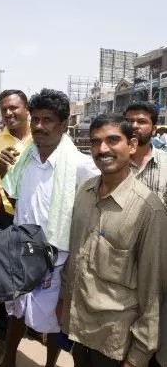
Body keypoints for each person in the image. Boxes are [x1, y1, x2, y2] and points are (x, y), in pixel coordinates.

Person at [0, 88, 98, 367]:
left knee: (55, 320)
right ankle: (8, 361)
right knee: (16, 310)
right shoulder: (22, 160)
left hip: (56, 258)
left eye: (48, 120)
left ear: (64, 124)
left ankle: (50, 364)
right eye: (36, 119)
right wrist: (4, 171)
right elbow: (17, 199)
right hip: (21, 252)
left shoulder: (81, 166)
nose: (39, 126)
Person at [60, 113, 167, 367]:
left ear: (131, 145)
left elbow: (153, 293)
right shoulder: (84, 193)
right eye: (96, 142)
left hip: (116, 344)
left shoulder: (149, 210)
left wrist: (138, 356)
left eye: (112, 140)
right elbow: (76, 259)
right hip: (80, 330)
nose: (102, 149)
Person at [0, 90, 32, 360]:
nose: (9, 113)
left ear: (26, 108)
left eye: (14, 108)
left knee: (36, 273)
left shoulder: (43, 138)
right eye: (4, 109)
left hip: (37, 218)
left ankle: (34, 325)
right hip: (4, 216)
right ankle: (1, 333)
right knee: (2, 278)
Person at [123, 102, 167, 367]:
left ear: (153, 126)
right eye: (130, 120)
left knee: (154, 326)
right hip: (121, 260)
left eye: (142, 121)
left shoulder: (166, 165)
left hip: (158, 260)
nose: (136, 126)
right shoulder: (113, 164)